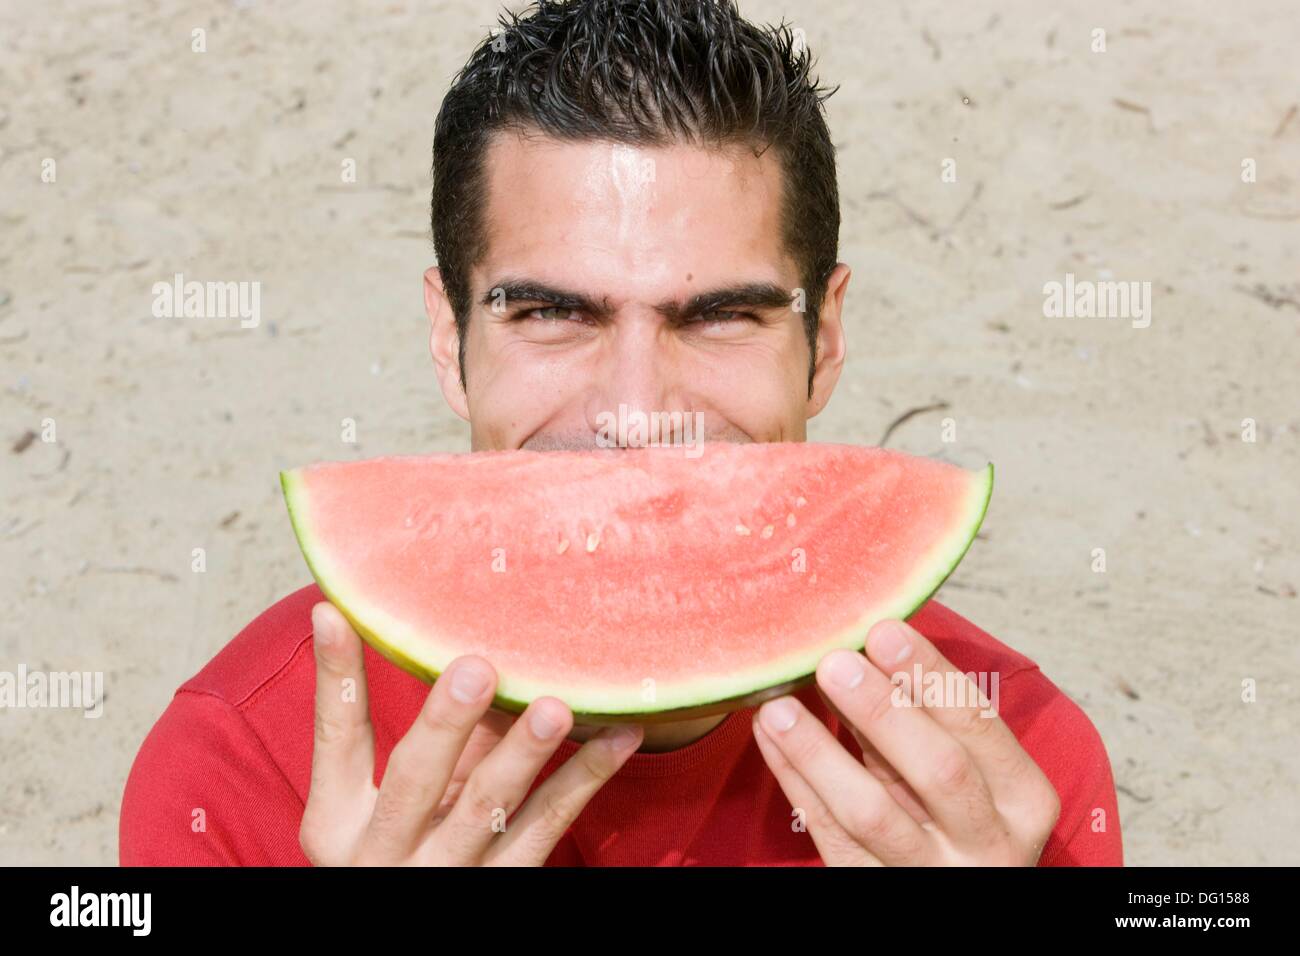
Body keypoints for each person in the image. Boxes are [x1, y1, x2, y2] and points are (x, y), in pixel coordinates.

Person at [120, 0, 1122, 866]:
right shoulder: (238, 765)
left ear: (825, 342)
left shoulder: (1001, 776)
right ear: (447, 336)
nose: (638, 413)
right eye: (552, 313)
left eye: (720, 314)